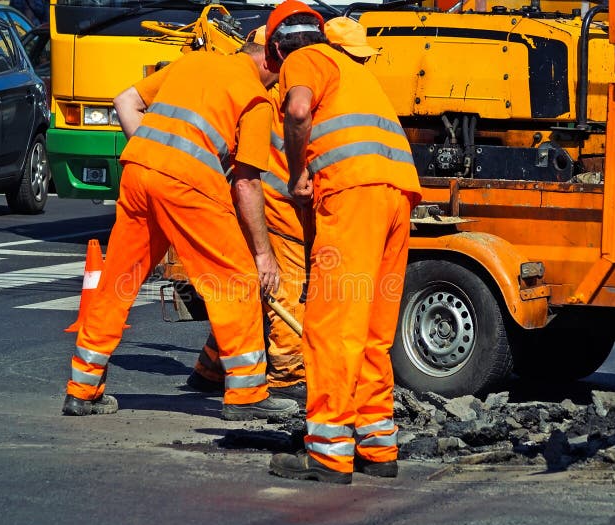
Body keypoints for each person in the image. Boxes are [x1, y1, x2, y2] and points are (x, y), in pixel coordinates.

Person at [61, 45, 299, 422]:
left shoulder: (194, 62)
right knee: (235, 282)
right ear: (271, 63)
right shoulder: (256, 98)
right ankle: (248, 394)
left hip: (140, 171)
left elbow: (125, 100)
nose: (281, 88)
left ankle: (82, 390)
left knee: (118, 282)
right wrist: (263, 254)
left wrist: (157, 157)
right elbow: (247, 183)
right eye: (282, 78)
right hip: (188, 185)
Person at [263, 2, 422, 484]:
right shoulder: (354, 70)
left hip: (353, 194)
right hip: (397, 194)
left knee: (332, 322)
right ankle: (378, 447)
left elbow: (296, 111)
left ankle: (329, 451)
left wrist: (297, 172)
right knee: (373, 327)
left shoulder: (304, 59)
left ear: (277, 47)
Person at [186, 26, 308, 404]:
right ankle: (289, 375)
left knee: (252, 293)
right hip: (275, 203)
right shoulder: (277, 95)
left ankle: (211, 367)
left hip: (258, 198)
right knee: (286, 288)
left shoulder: (260, 92)